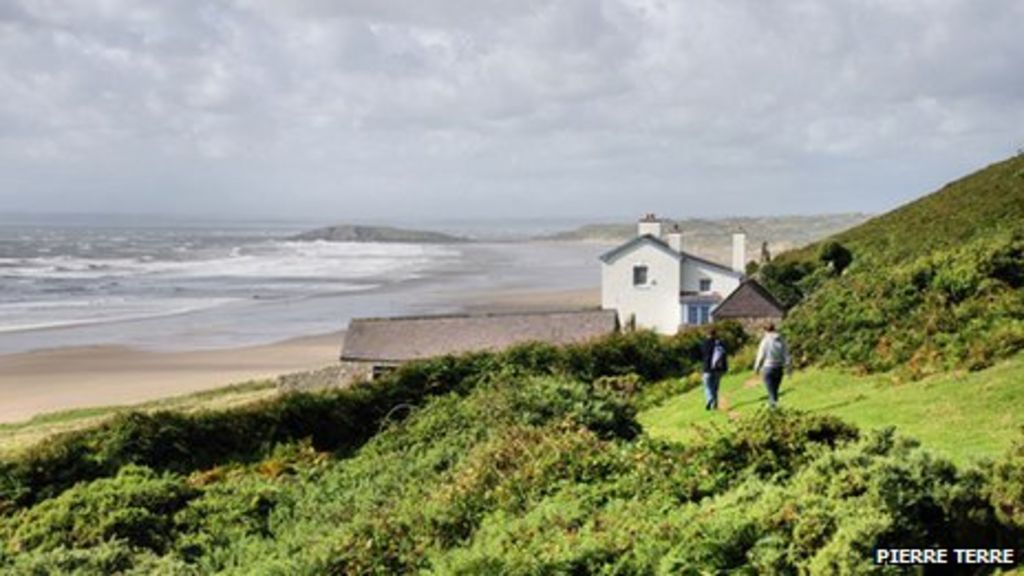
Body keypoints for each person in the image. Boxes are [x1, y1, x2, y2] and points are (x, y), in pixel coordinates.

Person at [753, 323, 791, 408]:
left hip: (768, 368)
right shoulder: (781, 340)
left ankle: (773, 411)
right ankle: (774, 409)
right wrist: (788, 369)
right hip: (779, 368)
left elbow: (761, 355)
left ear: (765, 330)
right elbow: (787, 355)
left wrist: (757, 368)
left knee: (771, 393)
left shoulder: (765, 341)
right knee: (774, 391)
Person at [699, 328, 728, 410]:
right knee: (715, 388)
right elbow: (724, 356)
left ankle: (710, 399)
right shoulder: (720, 344)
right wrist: (725, 368)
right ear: (715, 334)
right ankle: (714, 406)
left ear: (707, 334)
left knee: (707, 387)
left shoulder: (704, 343)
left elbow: (700, 355)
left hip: (707, 369)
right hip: (718, 369)